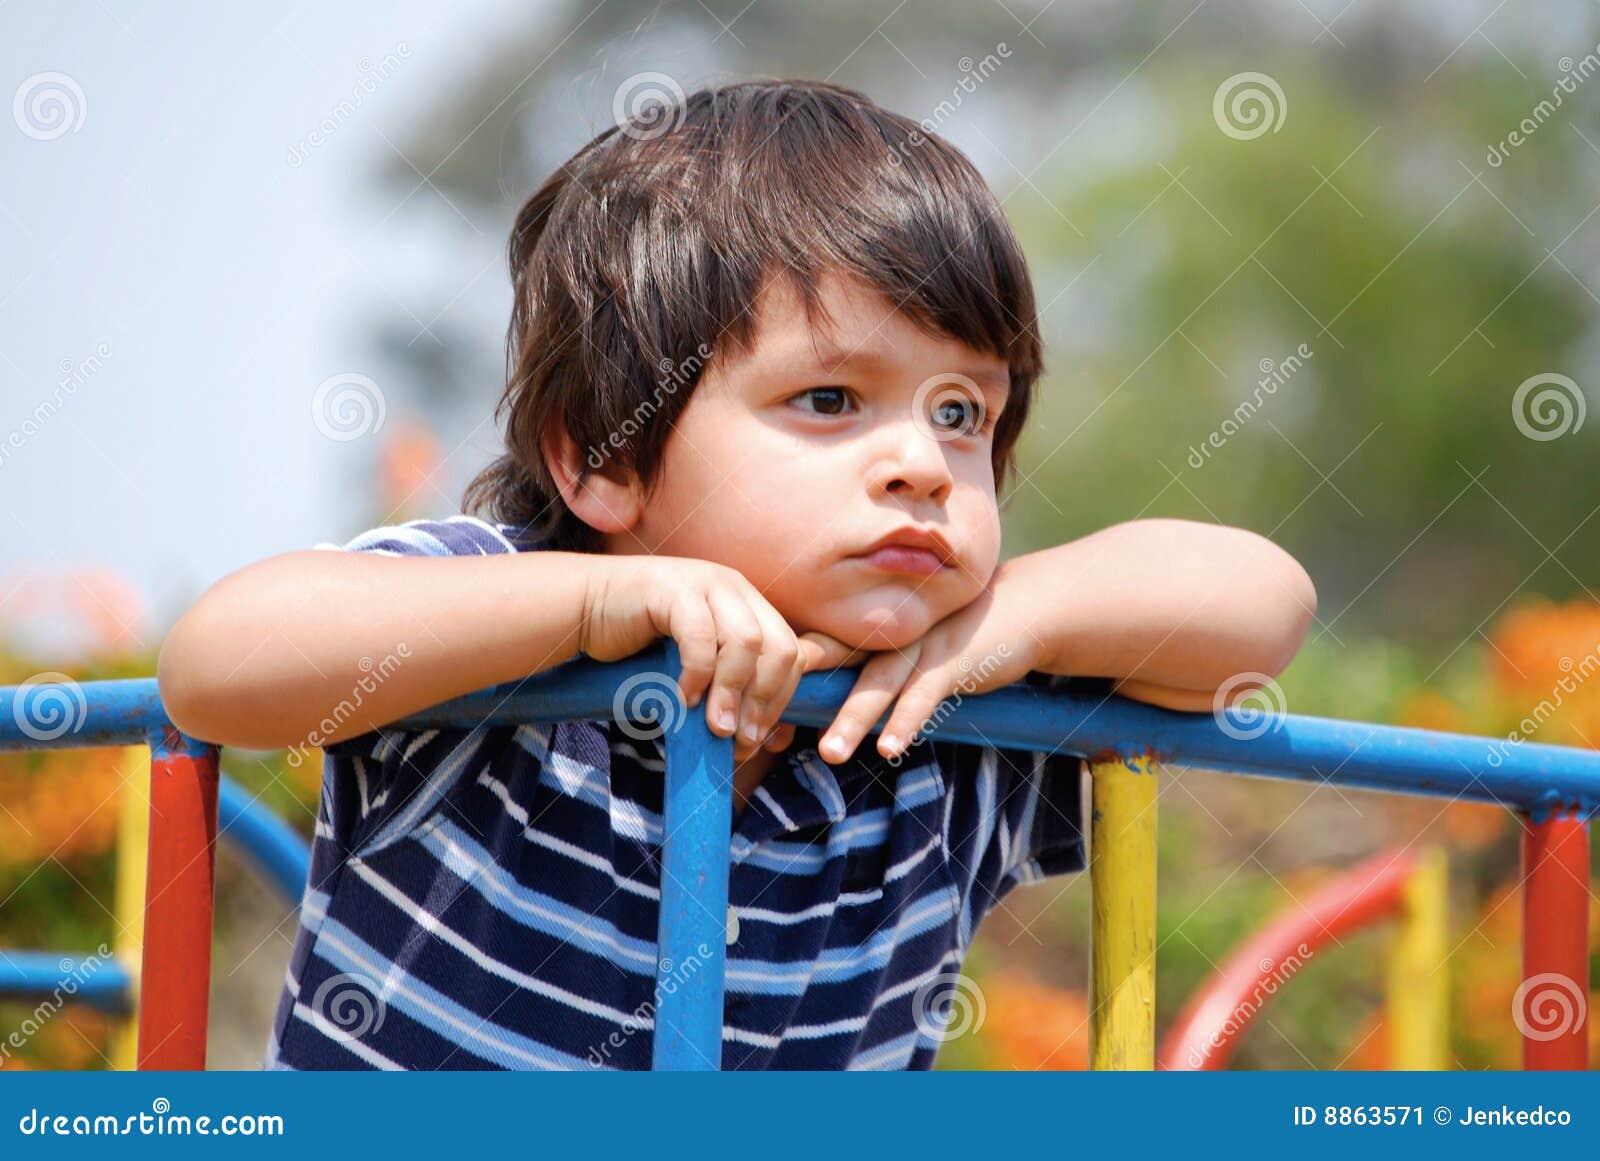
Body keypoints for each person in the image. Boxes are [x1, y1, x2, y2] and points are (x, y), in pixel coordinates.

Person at [157, 79, 1316, 1070]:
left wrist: (1019, 614)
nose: (920, 462)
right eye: (829, 400)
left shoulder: (933, 735)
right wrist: (601, 606)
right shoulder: (485, 636)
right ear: (603, 454)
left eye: (963, 413)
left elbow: (1261, 601)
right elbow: (217, 665)